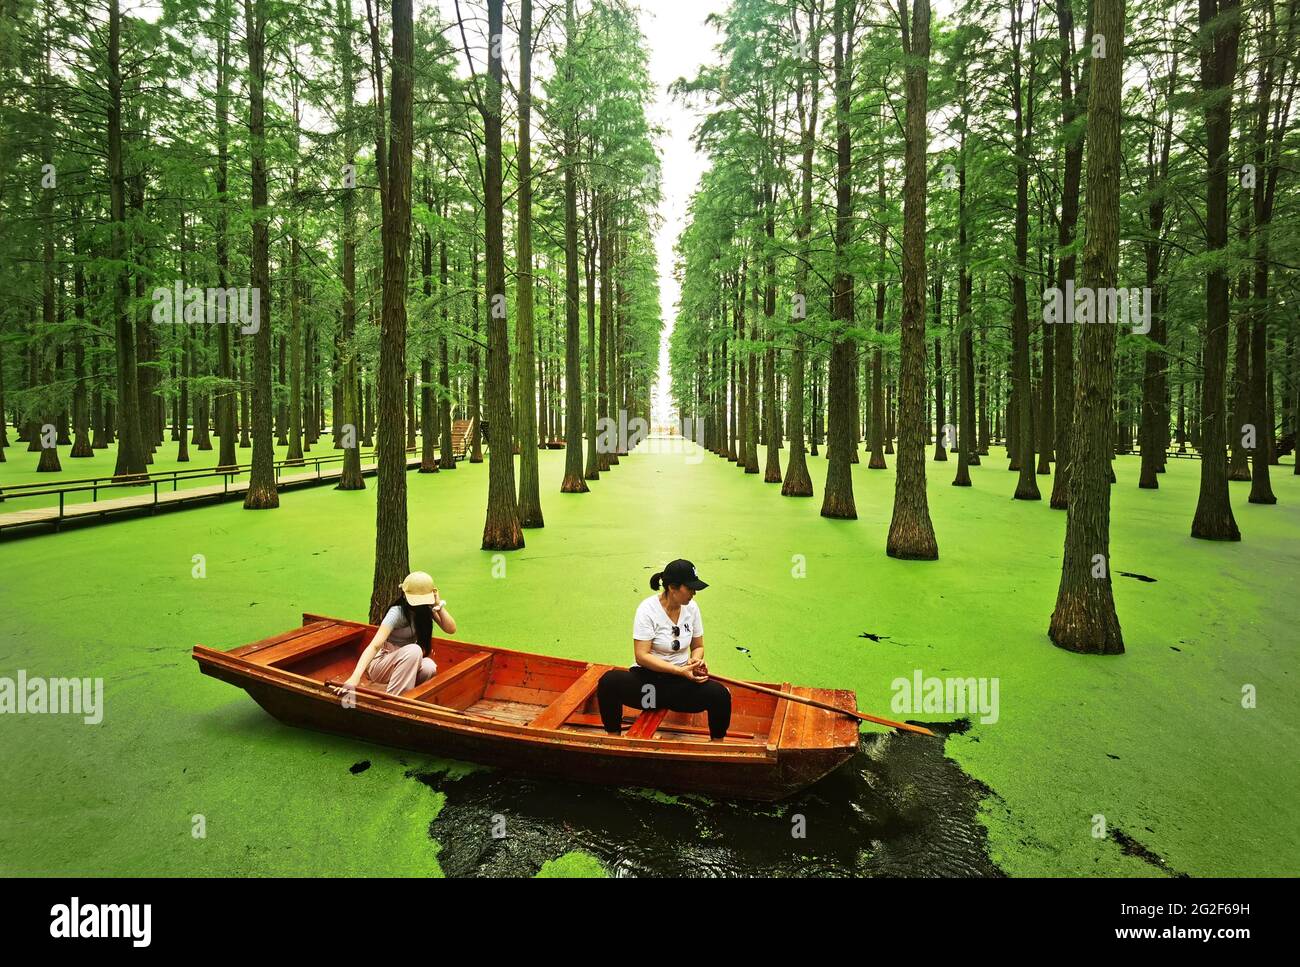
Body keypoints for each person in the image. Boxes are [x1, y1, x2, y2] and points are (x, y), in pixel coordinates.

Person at [597, 559, 732, 740]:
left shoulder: (691, 608)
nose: (694, 593)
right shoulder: (648, 609)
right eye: (690, 588)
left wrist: (696, 660)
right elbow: (641, 656)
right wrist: (679, 670)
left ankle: (717, 745)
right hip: (649, 687)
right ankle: (612, 738)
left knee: (720, 695)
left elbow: (698, 646)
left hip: (678, 688)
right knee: (609, 681)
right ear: (672, 587)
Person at [330, 572, 457, 697]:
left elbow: (451, 629)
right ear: (405, 595)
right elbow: (375, 645)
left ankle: (411, 696)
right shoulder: (396, 613)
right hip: (381, 664)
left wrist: (438, 605)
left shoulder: (426, 610)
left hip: (407, 662)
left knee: (429, 667)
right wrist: (355, 677)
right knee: (414, 650)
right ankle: (395, 700)